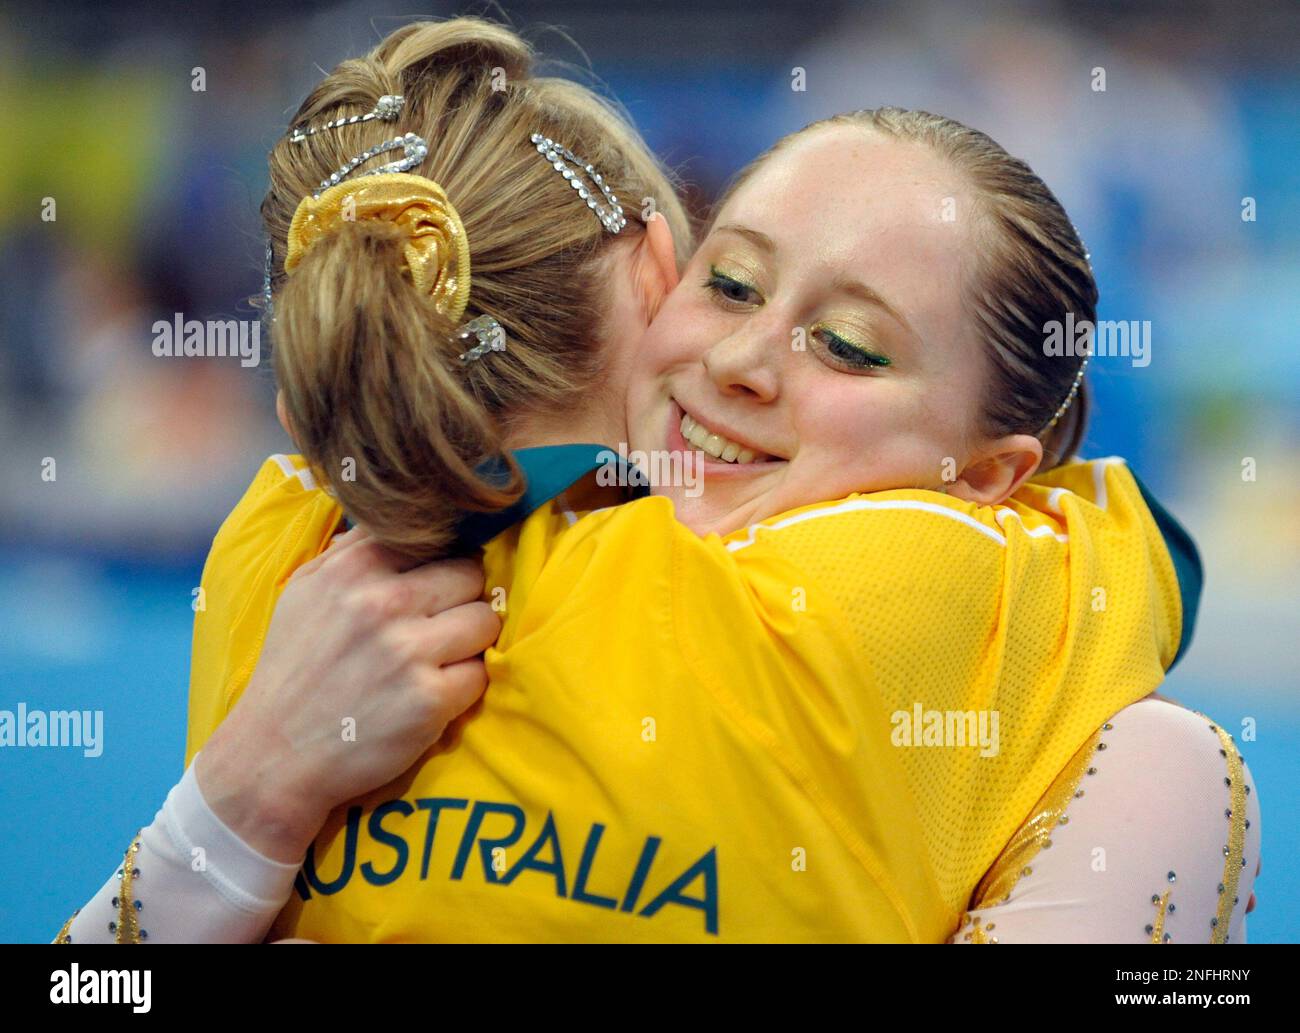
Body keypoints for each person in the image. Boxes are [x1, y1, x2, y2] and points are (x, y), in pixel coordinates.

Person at [55, 23, 1258, 943]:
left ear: (993, 477)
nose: (738, 363)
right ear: (653, 280)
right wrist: (236, 802)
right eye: (730, 286)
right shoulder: (323, 617)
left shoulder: (1136, 768)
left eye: (846, 346)